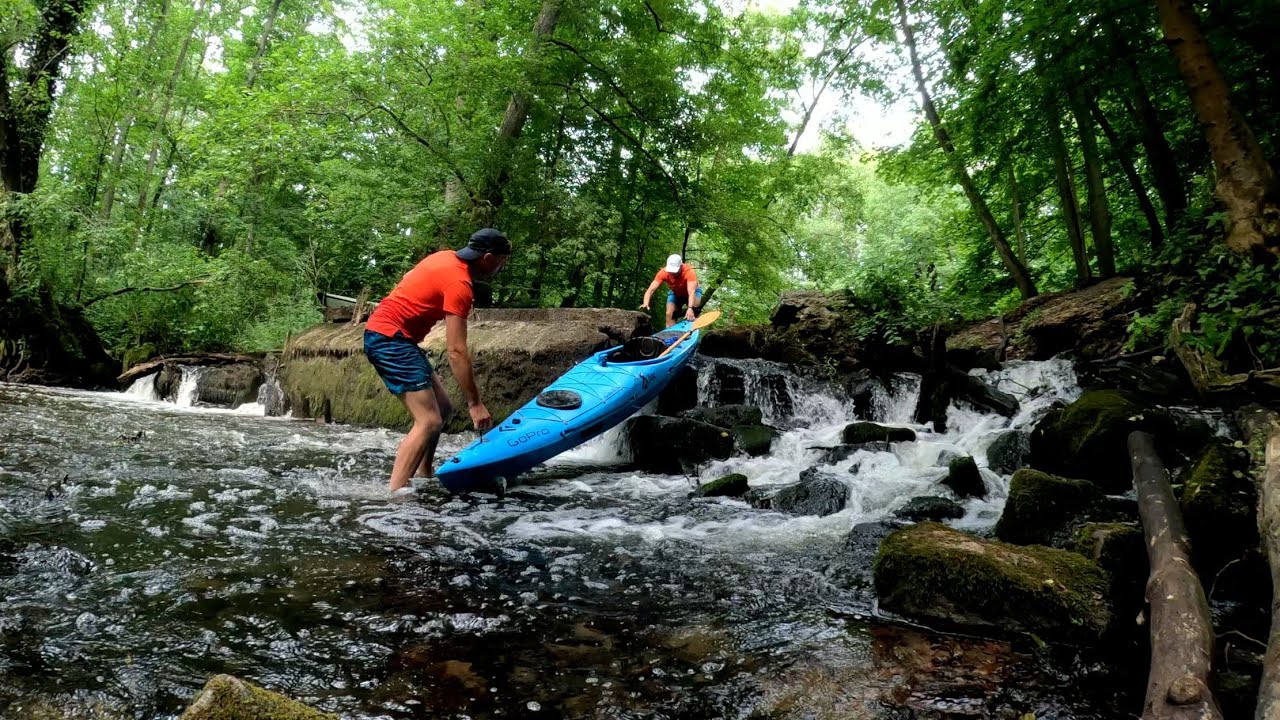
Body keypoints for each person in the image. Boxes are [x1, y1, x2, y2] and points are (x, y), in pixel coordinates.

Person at [363, 228, 512, 492]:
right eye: (502, 261)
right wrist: (475, 403)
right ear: (488, 258)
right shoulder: (460, 285)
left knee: (442, 408)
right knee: (428, 420)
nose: (502, 267)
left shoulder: (445, 257)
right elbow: (456, 351)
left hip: (397, 338)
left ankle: (425, 473)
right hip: (389, 339)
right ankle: (395, 498)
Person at [640, 253, 700, 328]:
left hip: (692, 292)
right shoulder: (663, 273)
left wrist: (690, 308)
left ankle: (691, 331)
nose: (673, 273)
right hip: (675, 293)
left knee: (693, 311)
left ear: (681, 266)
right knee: (669, 313)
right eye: (671, 271)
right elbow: (650, 290)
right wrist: (645, 302)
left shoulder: (689, 272)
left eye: (675, 271)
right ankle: (670, 334)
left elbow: (691, 293)